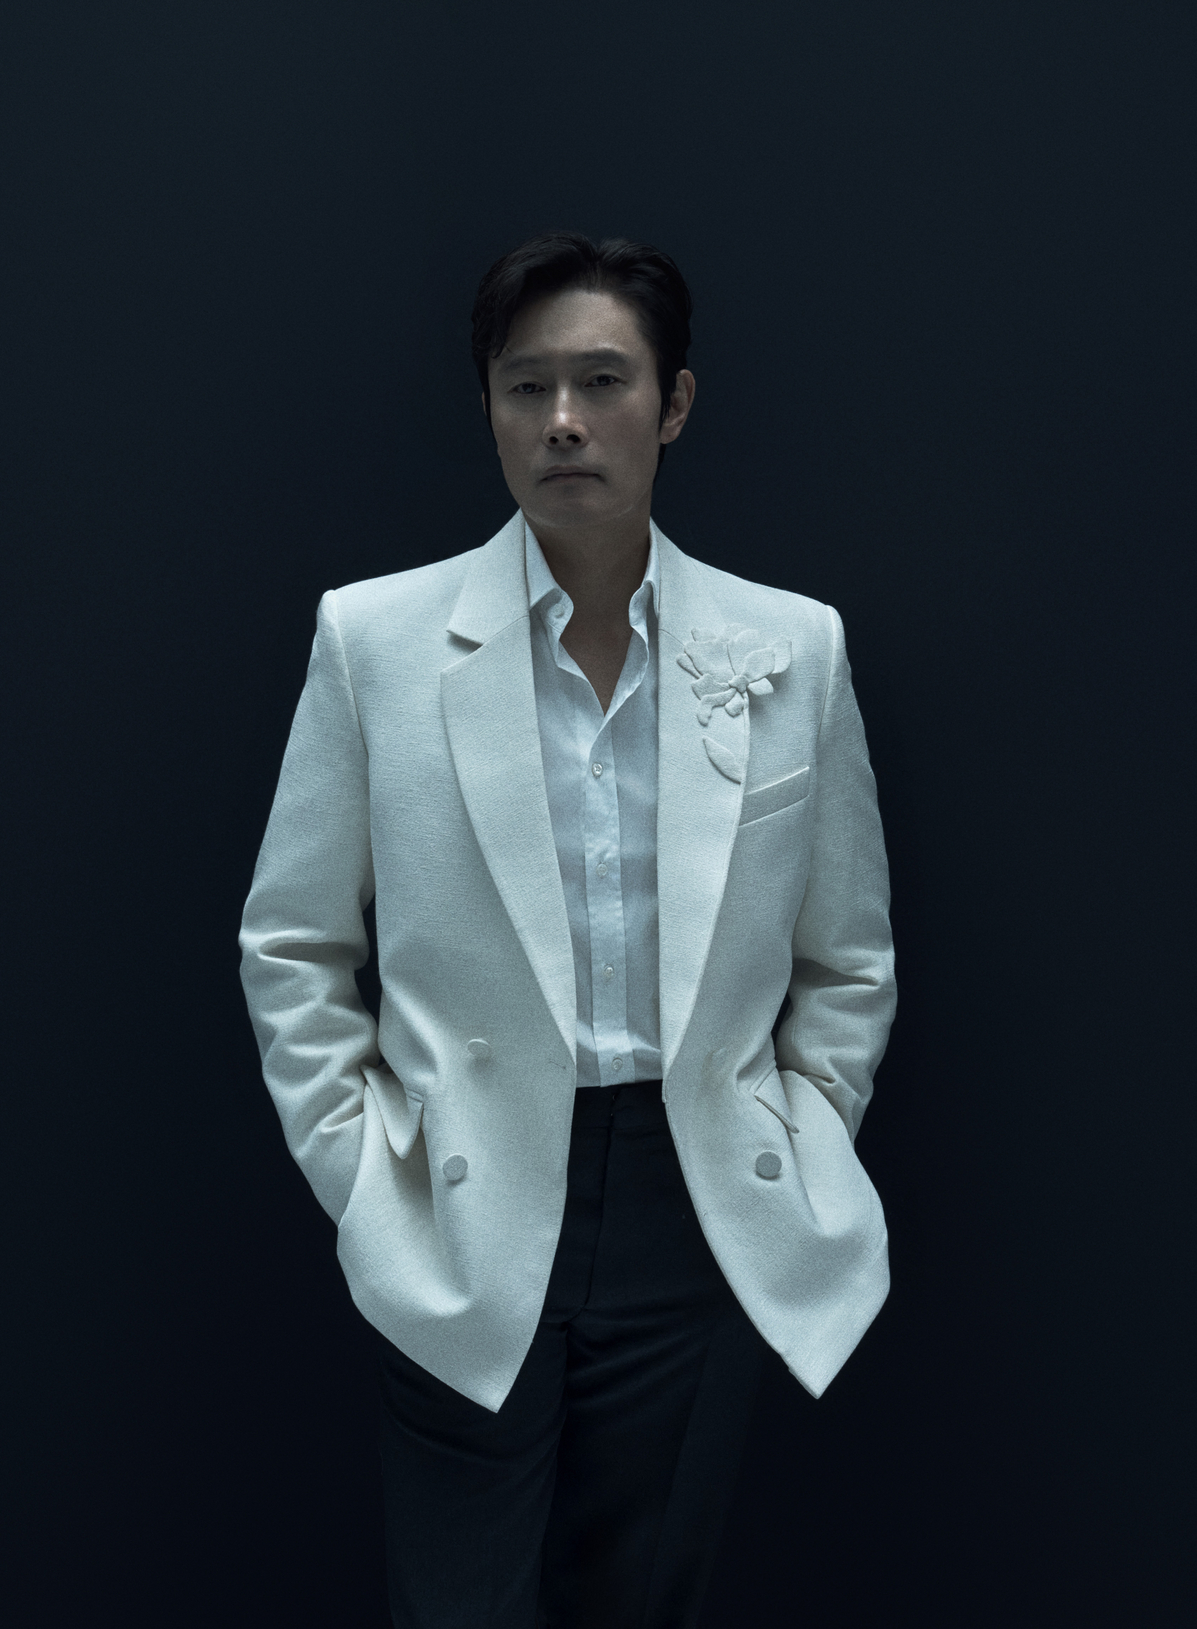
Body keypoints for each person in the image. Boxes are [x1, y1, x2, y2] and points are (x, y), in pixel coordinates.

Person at [239, 232, 896, 1628]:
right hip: (462, 1187)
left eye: (602, 381)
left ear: (674, 403)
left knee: (642, 1598)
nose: (563, 421)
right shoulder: (376, 641)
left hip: (699, 1190)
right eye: (526, 385)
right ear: (488, 407)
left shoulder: (795, 646)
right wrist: (363, 1172)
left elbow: (848, 955)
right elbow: (291, 939)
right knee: (459, 1603)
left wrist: (804, 1127)